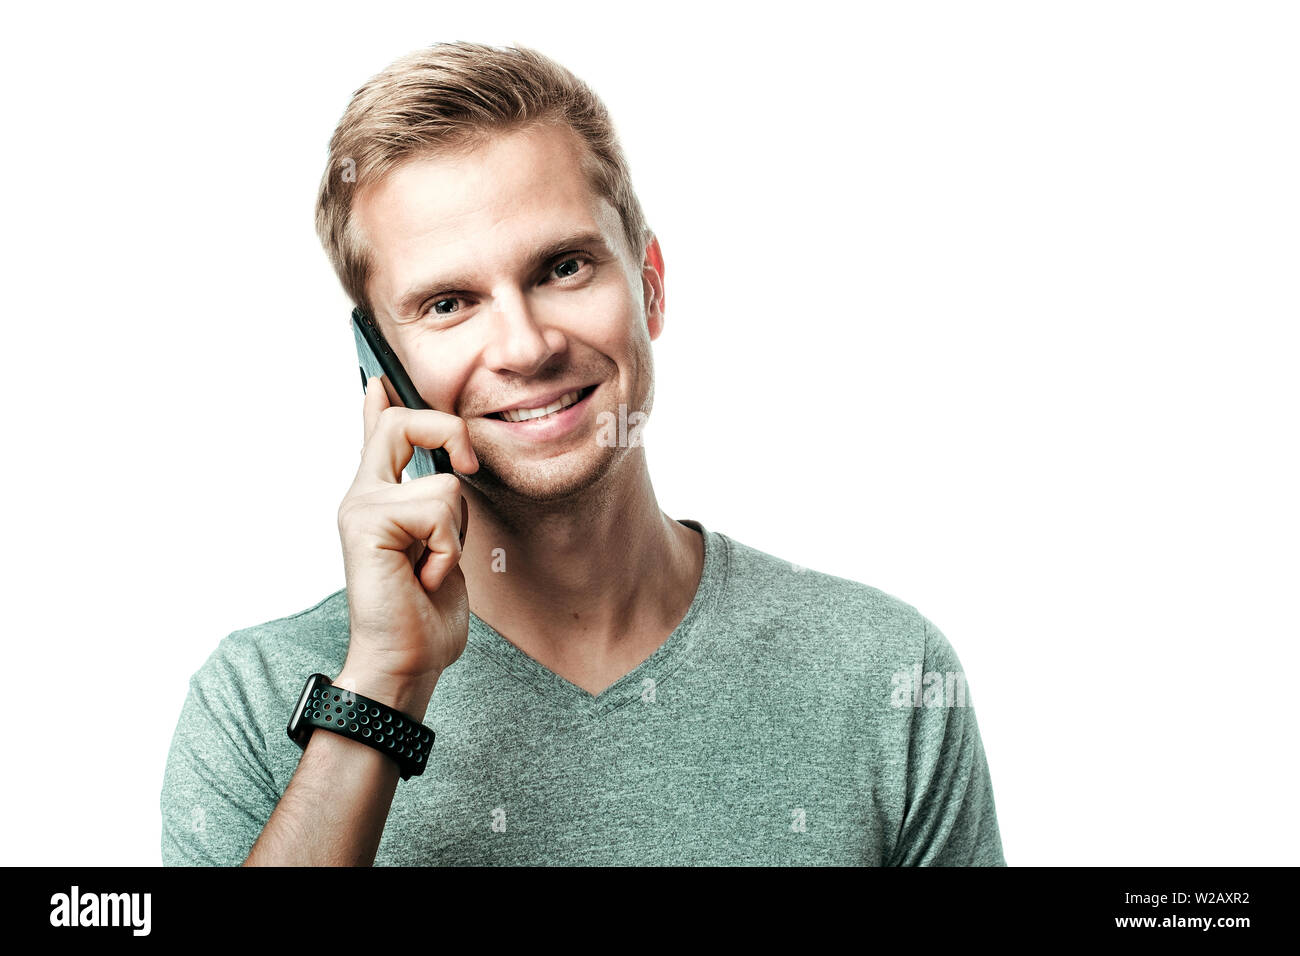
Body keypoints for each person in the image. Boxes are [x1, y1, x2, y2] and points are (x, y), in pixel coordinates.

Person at [160, 40, 1006, 866]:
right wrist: (383, 683)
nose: (525, 347)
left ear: (652, 284)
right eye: (450, 303)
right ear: (380, 365)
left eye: (563, 268)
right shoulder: (258, 698)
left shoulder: (885, 674)